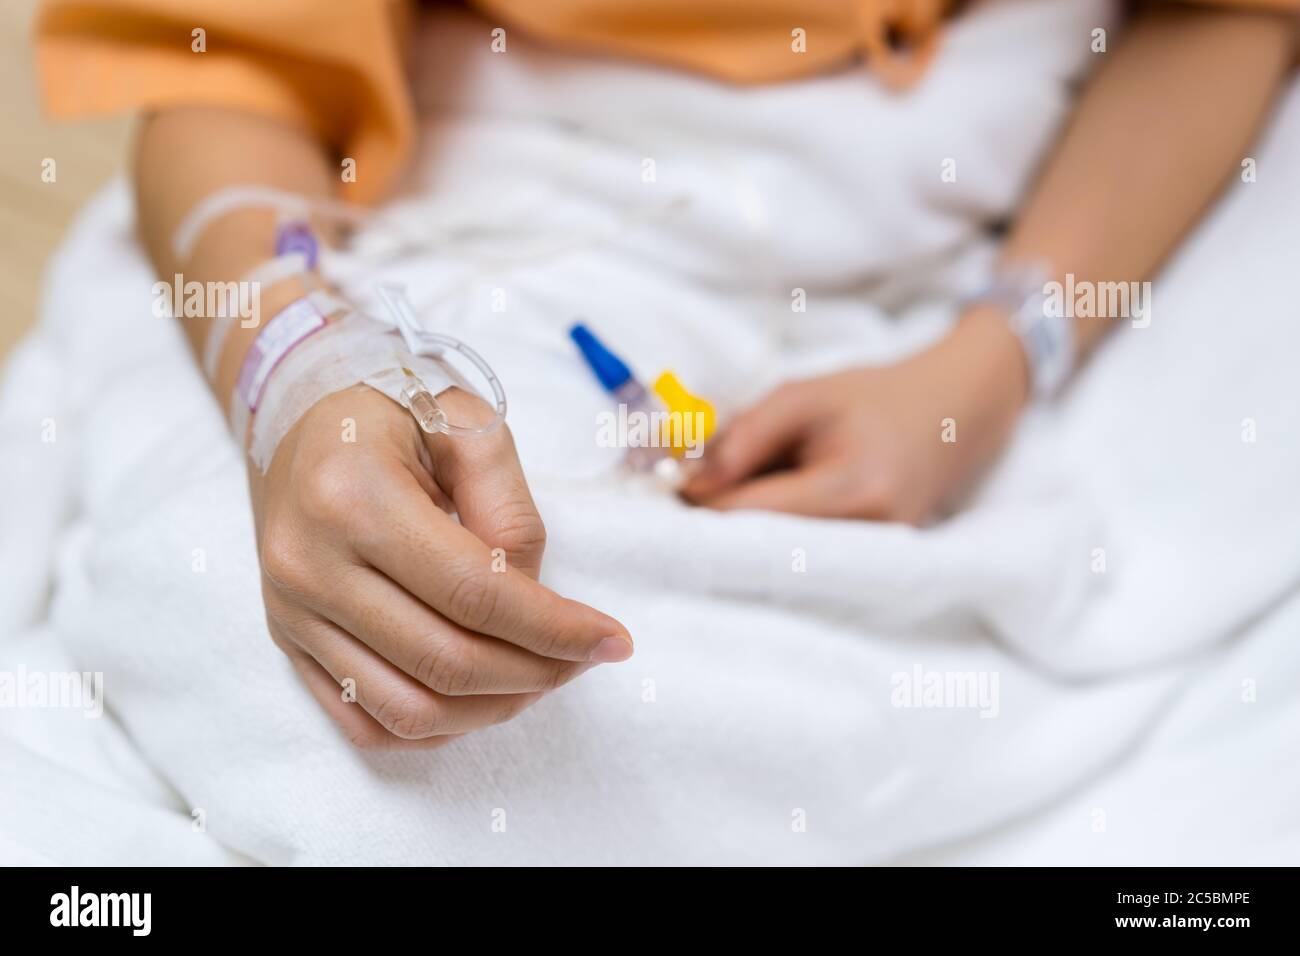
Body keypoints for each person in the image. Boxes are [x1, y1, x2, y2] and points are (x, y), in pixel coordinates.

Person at [34, 0, 1299, 749]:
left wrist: (994, 360)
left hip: (1026, 184)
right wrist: (295, 367)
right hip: (448, 164)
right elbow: (229, 63)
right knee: (275, 645)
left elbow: (1230, 16)